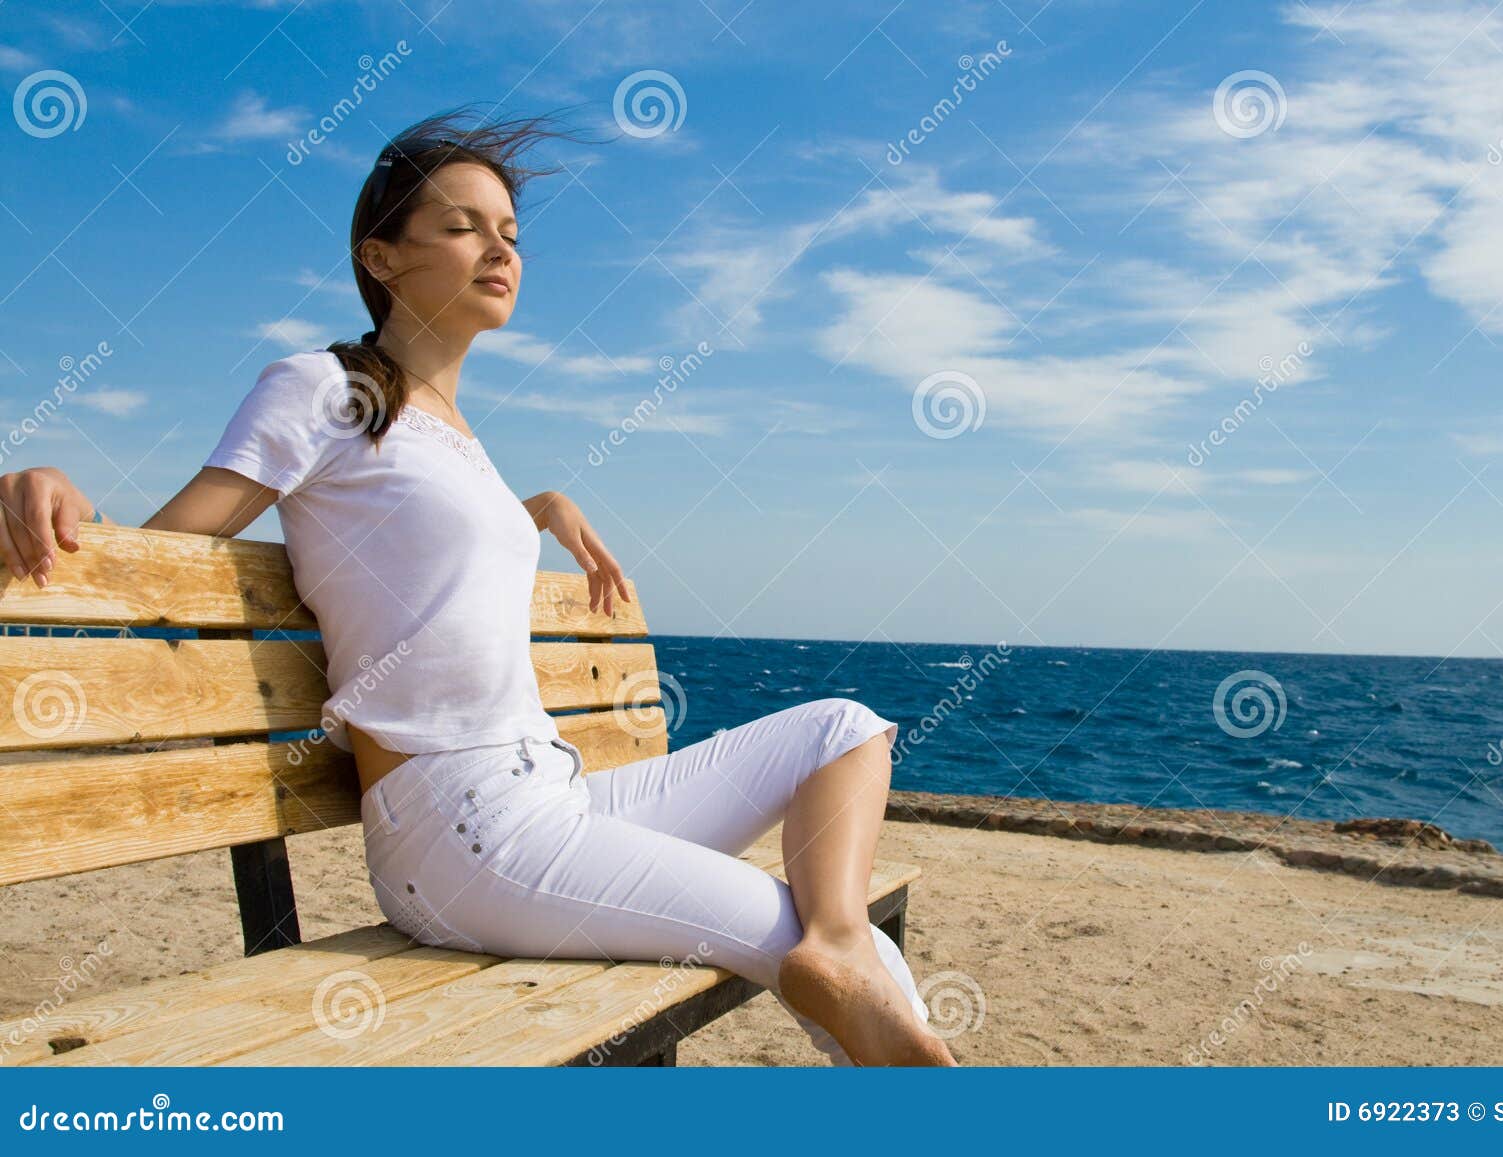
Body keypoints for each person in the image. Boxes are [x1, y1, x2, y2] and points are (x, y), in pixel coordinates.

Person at [0, 105, 956, 1068]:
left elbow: (417, 529)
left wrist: (534, 507)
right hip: (460, 828)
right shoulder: (327, 390)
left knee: (845, 728)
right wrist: (49, 489)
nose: (498, 249)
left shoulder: (455, 433)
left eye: (509, 234)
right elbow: (164, 556)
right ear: (380, 258)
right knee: (823, 949)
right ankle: (837, 954)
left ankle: (832, 938)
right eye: (462, 227)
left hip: (555, 796)